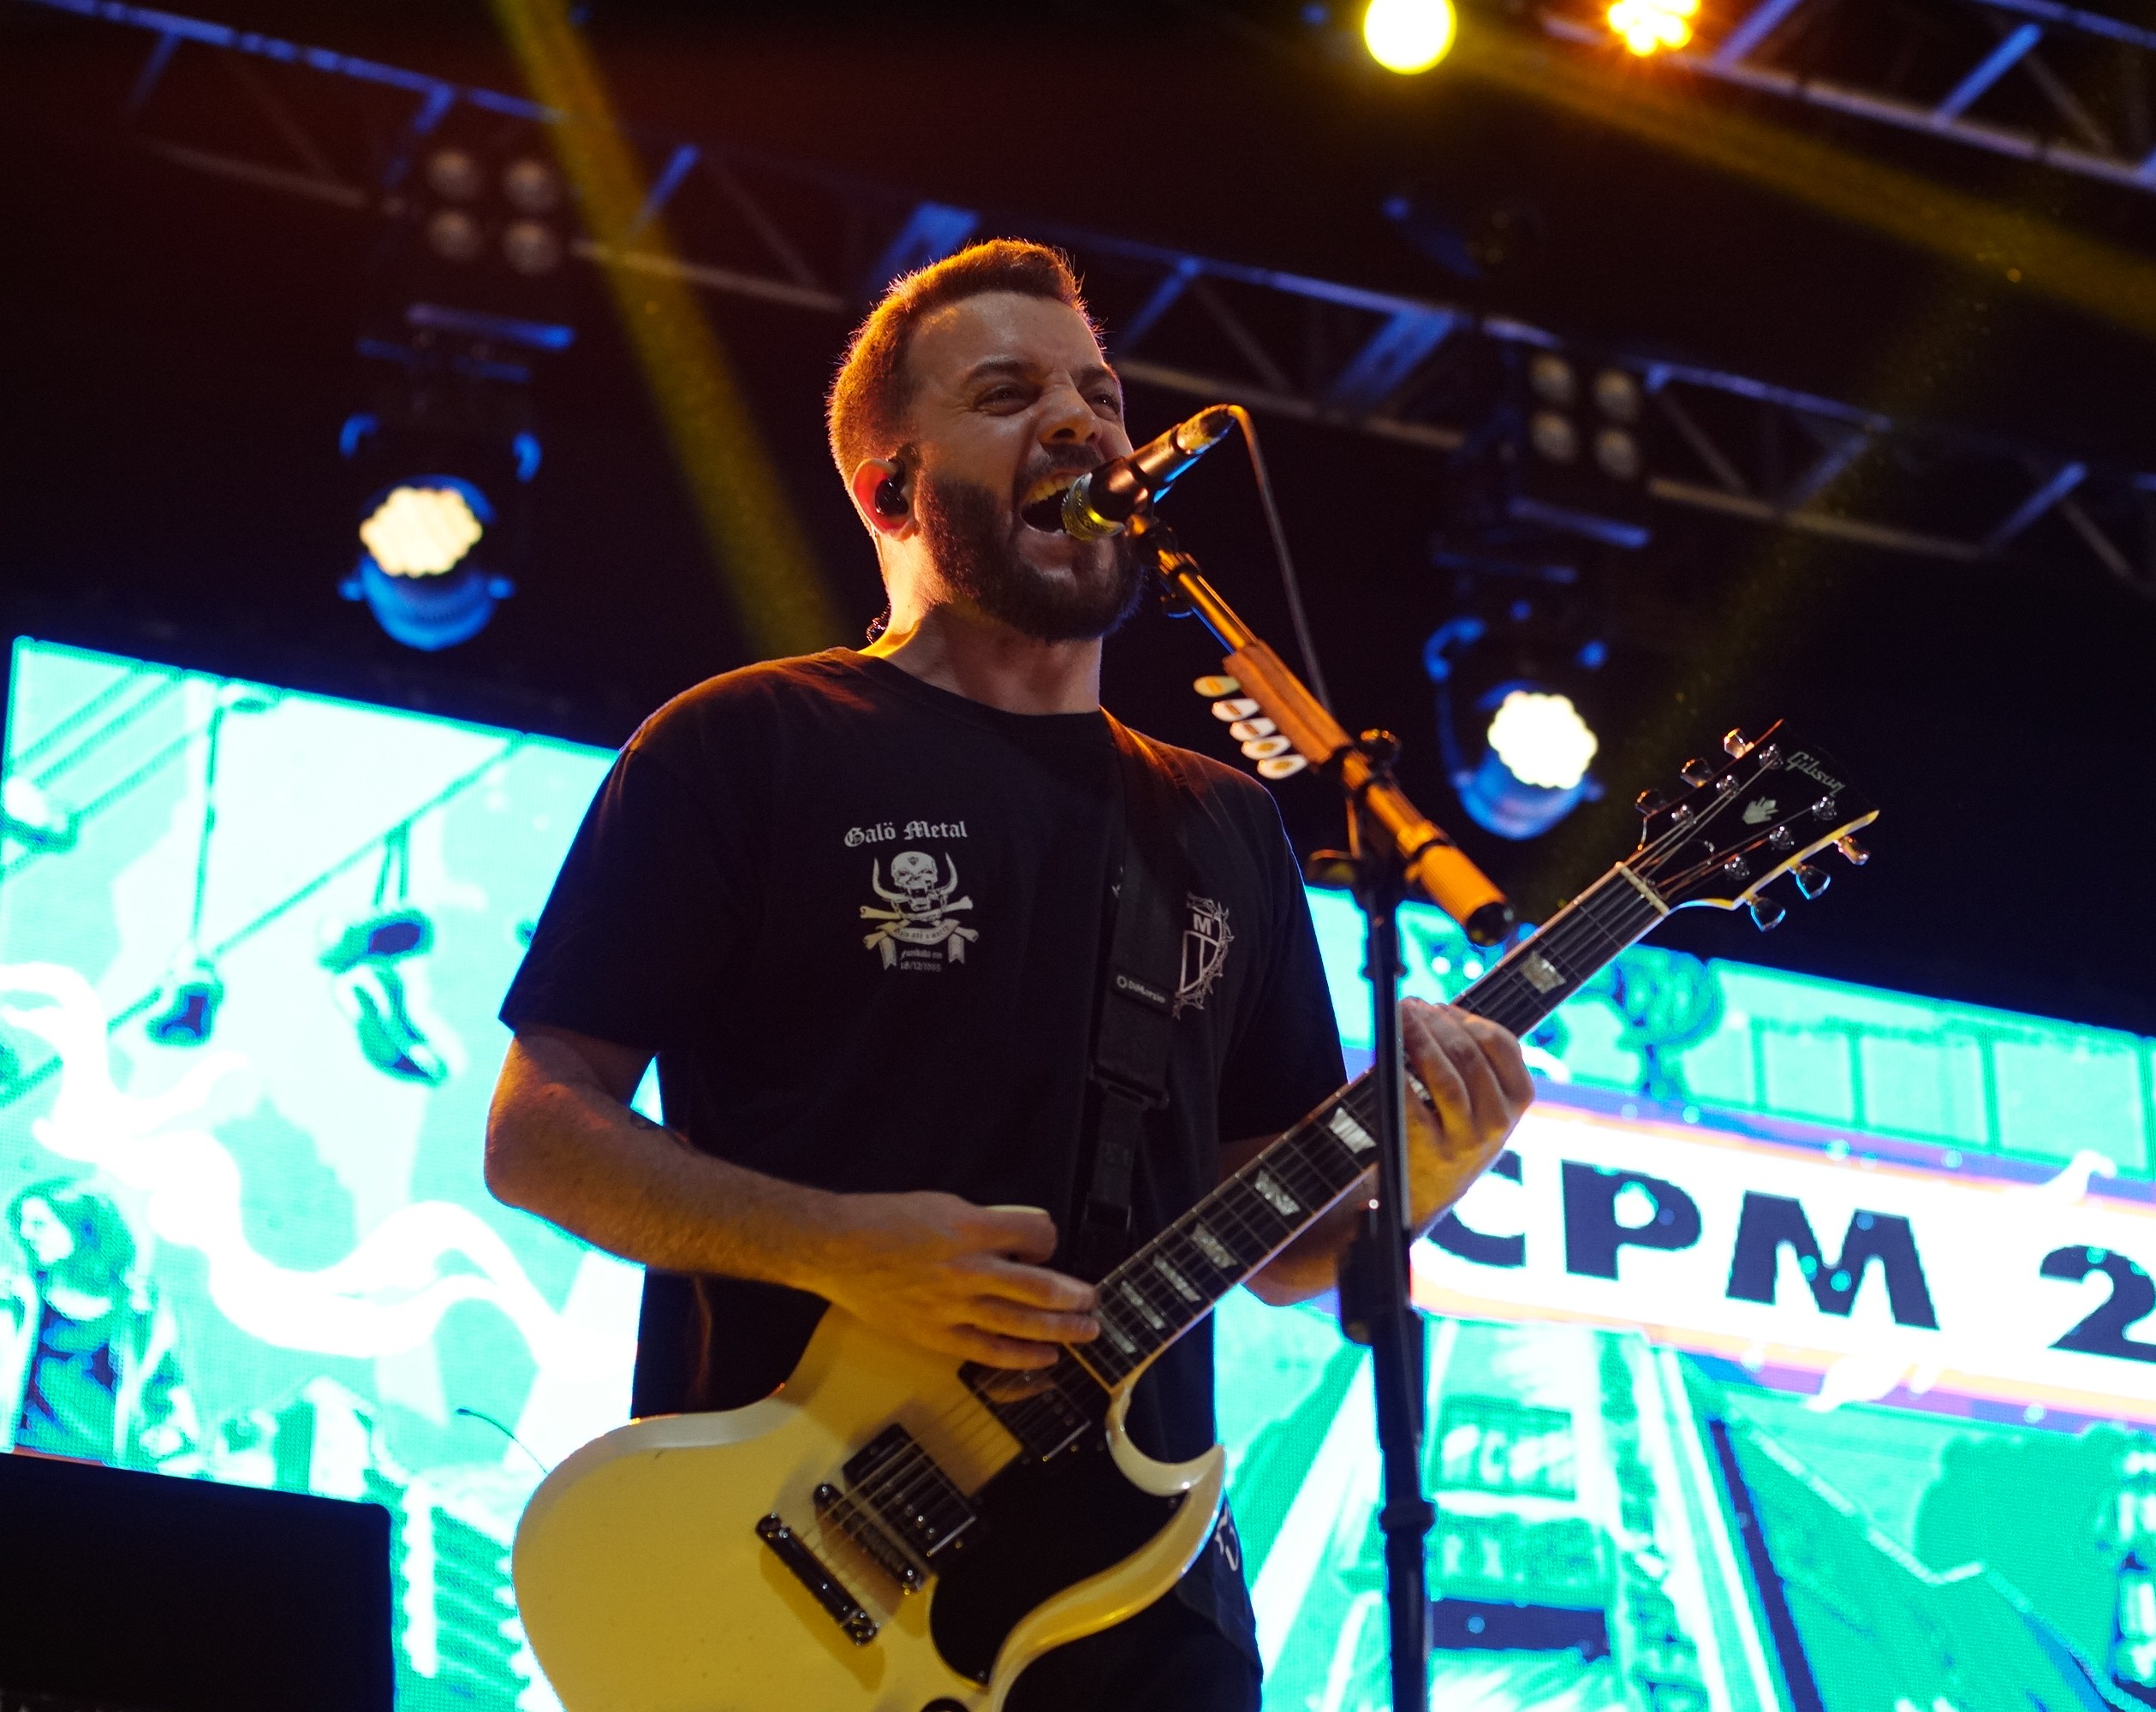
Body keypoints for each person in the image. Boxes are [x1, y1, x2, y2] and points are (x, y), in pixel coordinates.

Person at [484, 237, 1534, 1711]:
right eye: (1006, 390)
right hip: (788, 1584)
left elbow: (1283, 1249)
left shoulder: (1220, 821)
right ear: (889, 488)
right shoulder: (748, 744)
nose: (1082, 423)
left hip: (1136, 1606)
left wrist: (1430, 1165)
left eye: (1097, 392)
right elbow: (538, 1132)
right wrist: (839, 1247)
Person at [1, 1176, 204, 1472]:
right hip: (19, 1464)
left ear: (83, 1228)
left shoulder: (141, 1312)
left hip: (106, 1477)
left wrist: (174, 1438)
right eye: (22, 1222)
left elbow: (167, 1387)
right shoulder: (13, 1298)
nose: (25, 1232)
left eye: (39, 1223)